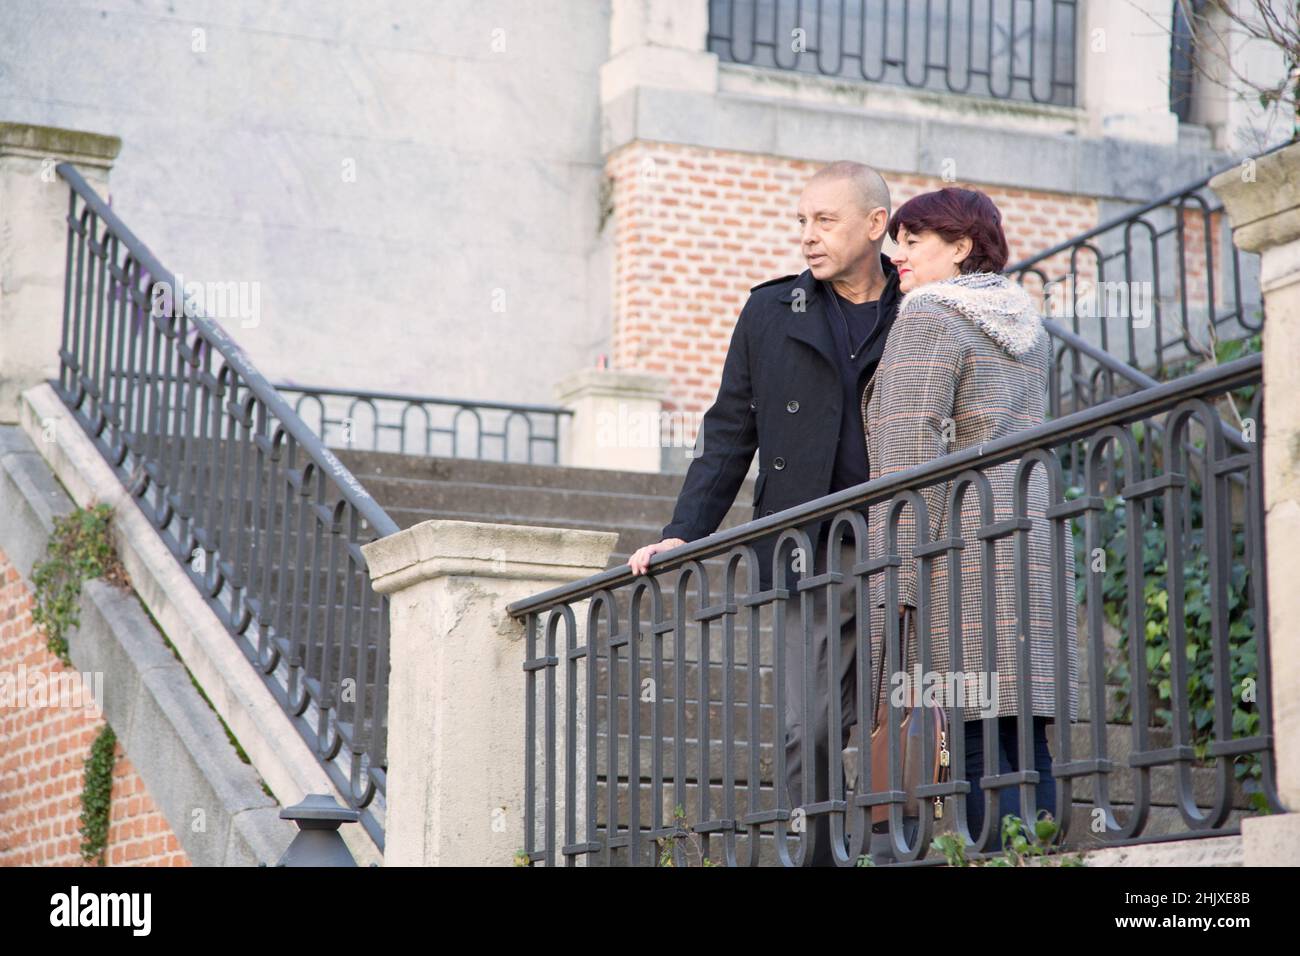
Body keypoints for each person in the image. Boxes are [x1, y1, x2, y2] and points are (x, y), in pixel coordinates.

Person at [627, 160, 903, 865]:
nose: (807, 236)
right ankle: (814, 853)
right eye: (801, 222)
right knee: (806, 720)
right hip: (808, 542)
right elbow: (727, 433)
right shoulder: (770, 312)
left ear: (875, 225)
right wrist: (683, 532)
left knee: (906, 710)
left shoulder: (921, 308)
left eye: (825, 221)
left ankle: (902, 846)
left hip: (906, 539)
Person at [861, 186, 1080, 851]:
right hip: (1030, 538)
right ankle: (1036, 856)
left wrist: (893, 578)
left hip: (960, 548)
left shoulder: (929, 316)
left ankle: (996, 858)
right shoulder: (1020, 321)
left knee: (977, 735)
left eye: (914, 240)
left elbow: (908, 456)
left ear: (959, 248)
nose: (897, 254)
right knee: (1021, 733)